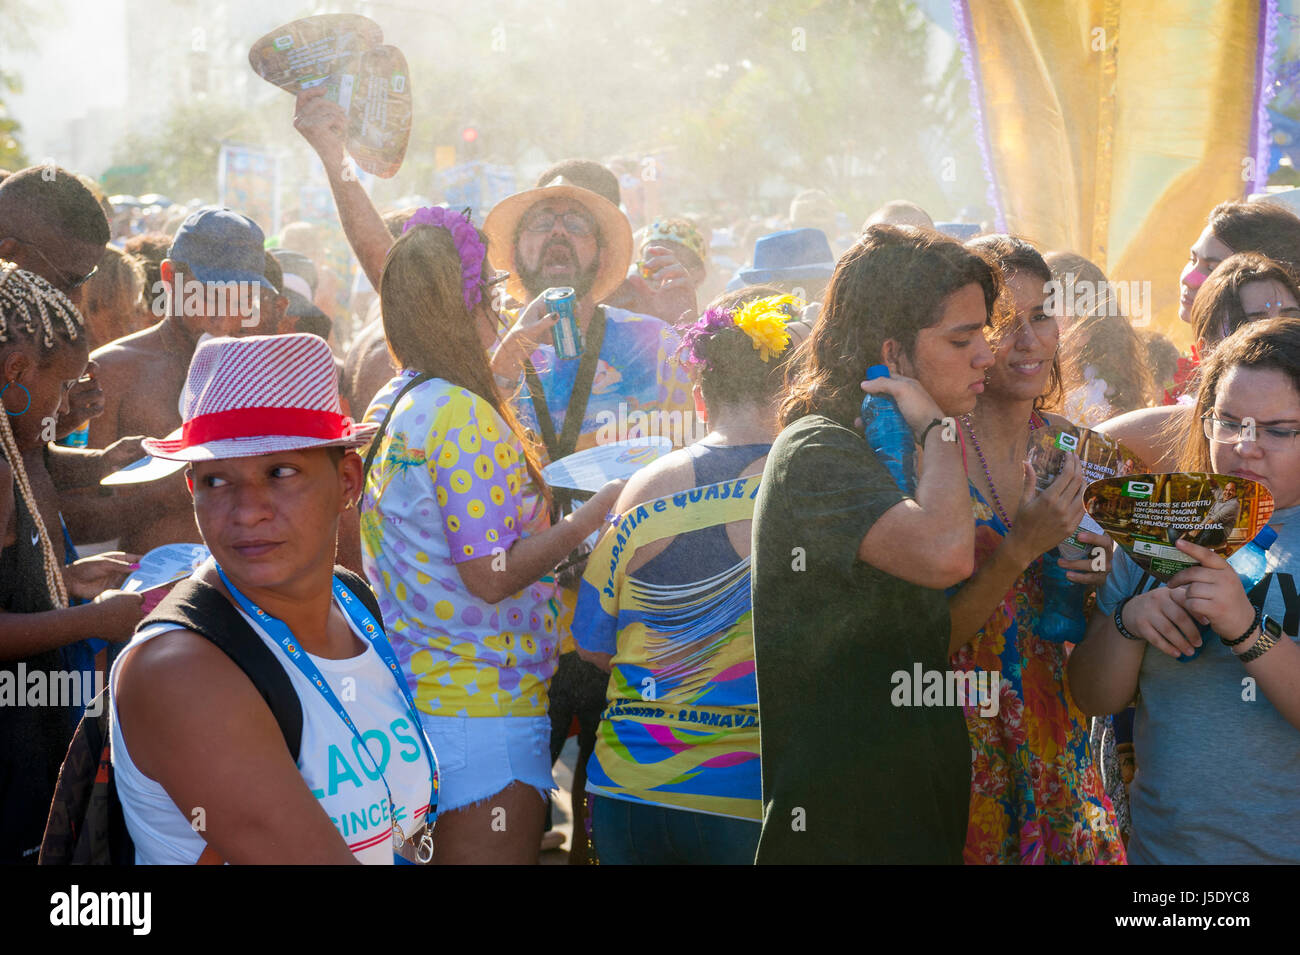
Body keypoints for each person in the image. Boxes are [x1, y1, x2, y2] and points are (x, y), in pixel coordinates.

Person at [111, 332, 438, 864]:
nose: (246, 511)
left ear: (348, 481)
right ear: (191, 489)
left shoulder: (352, 602)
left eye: (280, 472)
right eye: (217, 480)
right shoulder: (179, 671)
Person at [359, 207, 623, 864]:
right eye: (495, 299)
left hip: (417, 707)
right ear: (470, 302)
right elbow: (491, 572)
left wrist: (499, 372)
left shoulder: (397, 398)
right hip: (485, 722)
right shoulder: (460, 414)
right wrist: (593, 515)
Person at [750, 224, 996, 863]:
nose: (986, 356)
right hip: (839, 829)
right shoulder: (818, 451)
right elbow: (944, 556)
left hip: (914, 810)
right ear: (893, 352)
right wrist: (939, 432)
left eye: (984, 335)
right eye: (961, 339)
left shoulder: (902, 450)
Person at [572, 288, 798, 864]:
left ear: (701, 399)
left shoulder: (643, 486)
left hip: (627, 789)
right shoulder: (803, 483)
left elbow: (595, 644)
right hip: (742, 795)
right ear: (790, 392)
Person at [1068, 317, 1300, 863]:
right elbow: (1092, 697)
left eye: (1278, 429)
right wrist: (1129, 623)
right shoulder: (1157, 526)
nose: (1247, 447)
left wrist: (1244, 627)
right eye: (1229, 422)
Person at [946, 235, 1125, 864]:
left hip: (1063, 750)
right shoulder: (925, 454)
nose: (1027, 341)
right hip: (954, 748)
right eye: (1001, 323)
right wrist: (1021, 547)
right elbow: (916, 642)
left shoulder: (1090, 457)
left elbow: (1128, 616)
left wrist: (1108, 578)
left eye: (1041, 315)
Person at [0, 262, 143, 864]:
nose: (65, 409)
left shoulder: (11, 441)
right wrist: (94, 621)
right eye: (61, 391)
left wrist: (62, 582)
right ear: (16, 374)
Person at [78, 208, 280, 556]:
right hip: (144, 596)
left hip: (243, 590)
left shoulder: (266, 370)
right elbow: (74, 516)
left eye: (240, 296)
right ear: (170, 277)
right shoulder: (112, 371)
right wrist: (158, 496)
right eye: (210, 293)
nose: (223, 311)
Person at [1098, 252, 1300, 471]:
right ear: (1206, 352)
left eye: (1290, 319)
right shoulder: (1162, 433)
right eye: (1252, 326)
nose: (1278, 336)